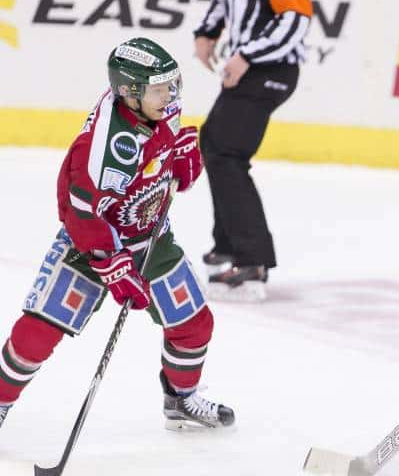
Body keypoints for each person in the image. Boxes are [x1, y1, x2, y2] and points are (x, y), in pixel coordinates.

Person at [0, 37, 234, 431]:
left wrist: (179, 159)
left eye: (171, 85)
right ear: (130, 92)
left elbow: (163, 156)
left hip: (149, 238)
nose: (169, 95)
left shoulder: (160, 107)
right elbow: (80, 211)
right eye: (159, 89)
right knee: (38, 331)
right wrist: (110, 262)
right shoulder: (105, 146)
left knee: (194, 323)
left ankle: (181, 399)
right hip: (89, 245)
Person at [193, 0, 313, 300]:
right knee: (214, 142)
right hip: (253, 68)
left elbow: (296, 19)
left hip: (272, 68)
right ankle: (229, 246)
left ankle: (251, 260)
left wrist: (247, 55)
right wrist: (207, 31)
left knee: (226, 152)